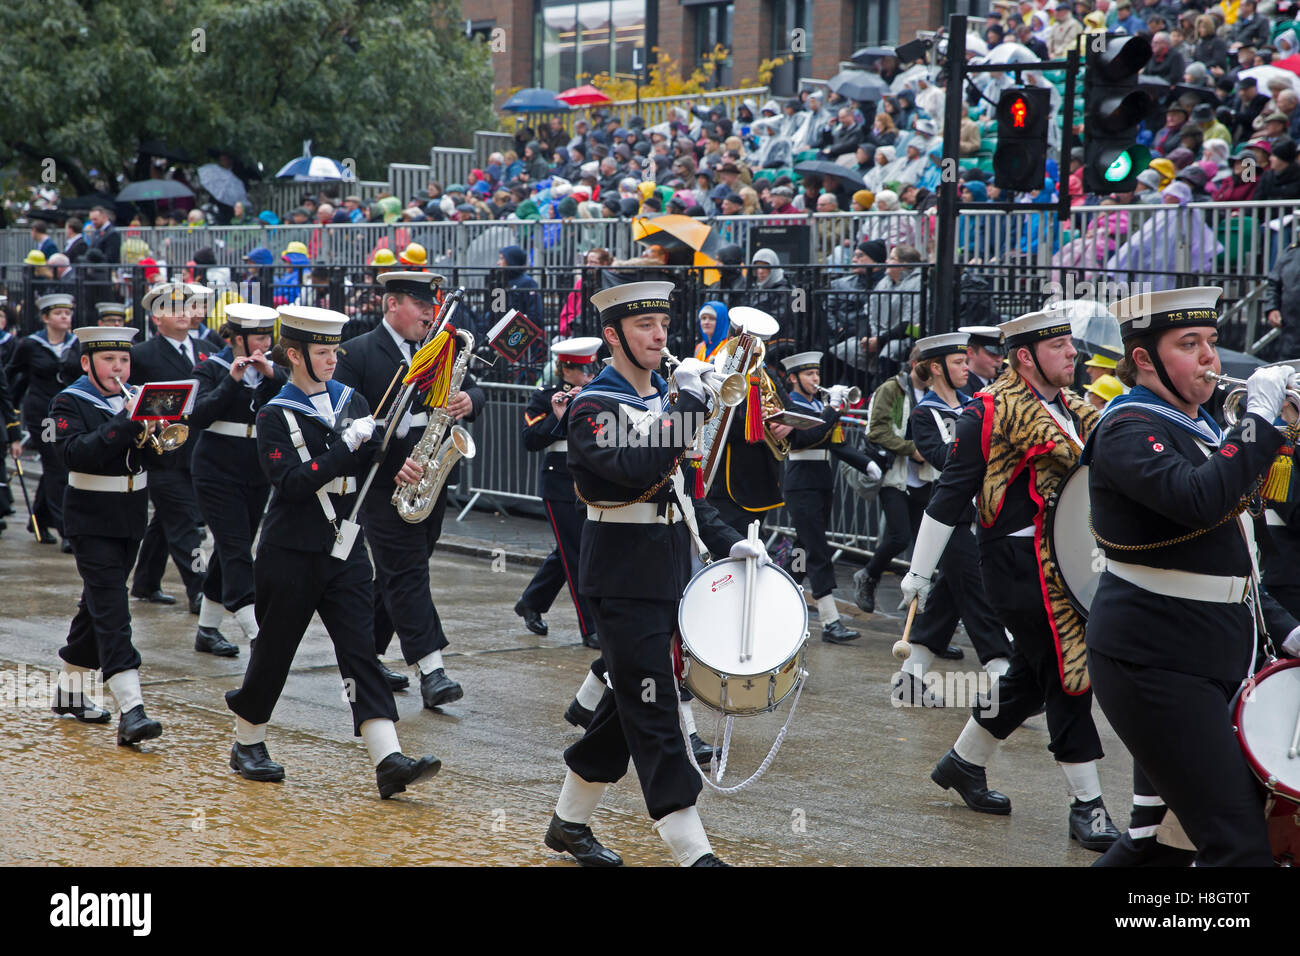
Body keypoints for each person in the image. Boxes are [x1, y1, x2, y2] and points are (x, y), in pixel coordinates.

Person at [543, 280, 760, 867]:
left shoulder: (666, 400)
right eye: (643, 326)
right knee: (657, 711)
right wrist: (688, 403)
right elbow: (636, 462)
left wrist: (732, 542)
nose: (659, 335)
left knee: (622, 712)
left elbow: (685, 490)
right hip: (618, 580)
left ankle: (567, 824)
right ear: (613, 336)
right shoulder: (594, 407)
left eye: (663, 324)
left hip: (668, 573)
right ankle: (694, 853)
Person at [1087, 286, 1296, 866]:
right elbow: (1198, 500)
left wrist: (1285, 630)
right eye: (1189, 344)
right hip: (1154, 661)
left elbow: (1231, 556)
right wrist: (1258, 422)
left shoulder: (1200, 427)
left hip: (1211, 649)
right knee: (1240, 847)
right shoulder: (1128, 427)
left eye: (1211, 342)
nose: (1210, 357)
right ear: (1144, 360)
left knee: (1160, 843)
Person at [902, 307, 1121, 852]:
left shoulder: (1076, 408)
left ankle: (963, 763)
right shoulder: (989, 411)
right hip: (1019, 569)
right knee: (1069, 674)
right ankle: (1087, 806)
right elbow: (949, 496)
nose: (1074, 353)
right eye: (1059, 346)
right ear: (1025, 357)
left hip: (1072, 564)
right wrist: (918, 573)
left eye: (1072, 345)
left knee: (1031, 674)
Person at [224, 304, 441, 797]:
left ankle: (387, 757)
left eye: (335, 351)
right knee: (276, 648)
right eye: (322, 353)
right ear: (294, 355)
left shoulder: (352, 400)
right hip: (290, 550)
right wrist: (348, 446)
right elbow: (292, 483)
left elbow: (369, 466)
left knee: (360, 651)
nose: (332, 360)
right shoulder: (275, 413)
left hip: (345, 547)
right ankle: (248, 740)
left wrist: (396, 470)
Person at [333, 271, 471, 707]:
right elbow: (348, 424)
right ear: (392, 304)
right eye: (421, 306)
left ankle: (365, 659)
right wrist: (393, 463)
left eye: (434, 307)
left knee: (394, 576)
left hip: (431, 477)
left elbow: (474, 388)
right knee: (408, 573)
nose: (431, 315)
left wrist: (472, 402)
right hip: (384, 485)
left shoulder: (439, 349)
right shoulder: (356, 353)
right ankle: (432, 671)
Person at [48, 325, 162, 745]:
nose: (119, 368)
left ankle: (69, 694)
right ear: (87, 363)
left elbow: (155, 458)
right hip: (90, 517)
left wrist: (156, 434)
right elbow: (72, 453)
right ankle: (132, 709)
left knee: (96, 604)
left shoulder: (133, 398)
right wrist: (124, 423)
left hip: (131, 515)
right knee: (114, 611)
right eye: (109, 360)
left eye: (125, 360)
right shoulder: (68, 401)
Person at [897, 333, 1011, 704]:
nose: (967, 368)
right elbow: (945, 459)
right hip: (946, 515)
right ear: (936, 368)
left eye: (966, 361)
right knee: (978, 592)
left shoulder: (975, 405)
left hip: (980, 510)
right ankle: (1004, 678)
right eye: (959, 363)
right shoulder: (923, 413)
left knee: (948, 598)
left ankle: (909, 679)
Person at [187, 303, 286, 656]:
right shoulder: (210, 367)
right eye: (259, 337)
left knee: (232, 546)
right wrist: (232, 381)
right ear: (237, 339)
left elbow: (292, 402)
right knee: (236, 549)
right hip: (216, 470)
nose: (265, 343)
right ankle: (256, 630)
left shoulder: (272, 371)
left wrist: (273, 376)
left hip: (256, 470)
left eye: (267, 336)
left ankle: (207, 630)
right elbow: (197, 414)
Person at [129, 282, 212, 612]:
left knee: (166, 520)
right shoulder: (141, 354)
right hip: (162, 453)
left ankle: (146, 583)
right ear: (156, 317)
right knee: (185, 524)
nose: (181, 312)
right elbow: (131, 399)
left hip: (200, 450)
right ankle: (200, 590)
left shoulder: (208, 346)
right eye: (170, 307)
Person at [515, 337, 601, 650]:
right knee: (578, 555)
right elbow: (530, 440)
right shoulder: (545, 398)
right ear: (566, 369)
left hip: (592, 482)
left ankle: (531, 601)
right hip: (560, 484)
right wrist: (557, 414)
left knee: (568, 551)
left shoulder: (597, 394)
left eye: (591, 368)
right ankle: (591, 628)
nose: (589, 375)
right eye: (582, 370)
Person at [780, 351, 861, 644]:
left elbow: (830, 437)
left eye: (817, 374)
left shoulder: (817, 404)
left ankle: (776, 603)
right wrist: (832, 411)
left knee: (802, 550)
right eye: (809, 375)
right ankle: (830, 621)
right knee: (818, 551)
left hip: (821, 480)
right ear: (793, 378)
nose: (816, 379)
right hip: (801, 483)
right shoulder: (792, 404)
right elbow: (804, 438)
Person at [854, 351, 932, 613]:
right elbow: (876, 430)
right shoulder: (892, 389)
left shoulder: (940, 393)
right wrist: (912, 449)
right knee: (899, 537)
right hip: (895, 476)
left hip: (926, 478)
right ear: (914, 364)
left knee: (924, 543)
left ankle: (920, 610)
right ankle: (868, 576)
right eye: (927, 364)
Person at [6, 292, 79, 547]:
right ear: (46, 318)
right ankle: (66, 532)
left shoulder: (76, 344)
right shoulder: (29, 344)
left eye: (68, 313)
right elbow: (12, 376)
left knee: (54, 468)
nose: (65, 317)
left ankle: (37, 519)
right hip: (42, 416)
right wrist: (11, 414)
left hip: (68, 413)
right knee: (57, 466)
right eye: (59, 313)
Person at [958, 325, 1005, 392]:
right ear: (971, 353)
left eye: (1001, 354)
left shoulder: (1005, 381)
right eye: (992, 354)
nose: (999, 359)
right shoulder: (962, 388)